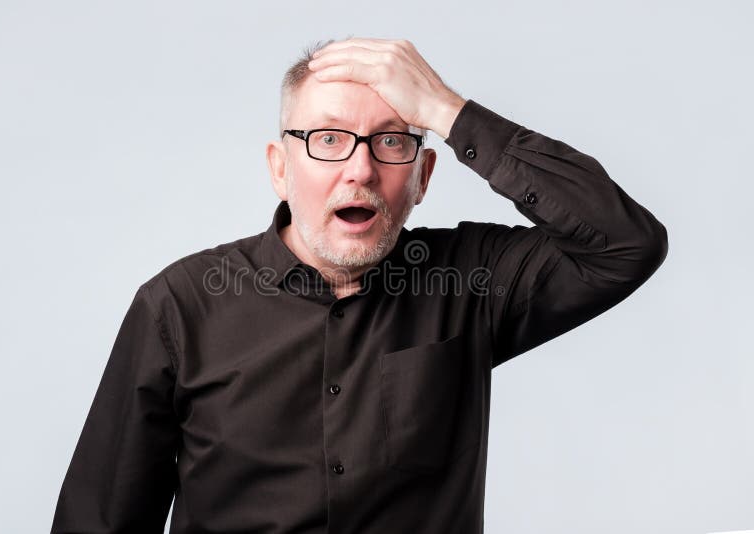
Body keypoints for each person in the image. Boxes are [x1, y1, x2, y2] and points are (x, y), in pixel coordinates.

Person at [51, 37, 668, 533]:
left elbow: (625, 243)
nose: (361, 168)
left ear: (424, 175)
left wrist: (448, 111)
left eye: (392, 140)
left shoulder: (472, 281)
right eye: (327, 139)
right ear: (279, 168)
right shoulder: (178, 307)